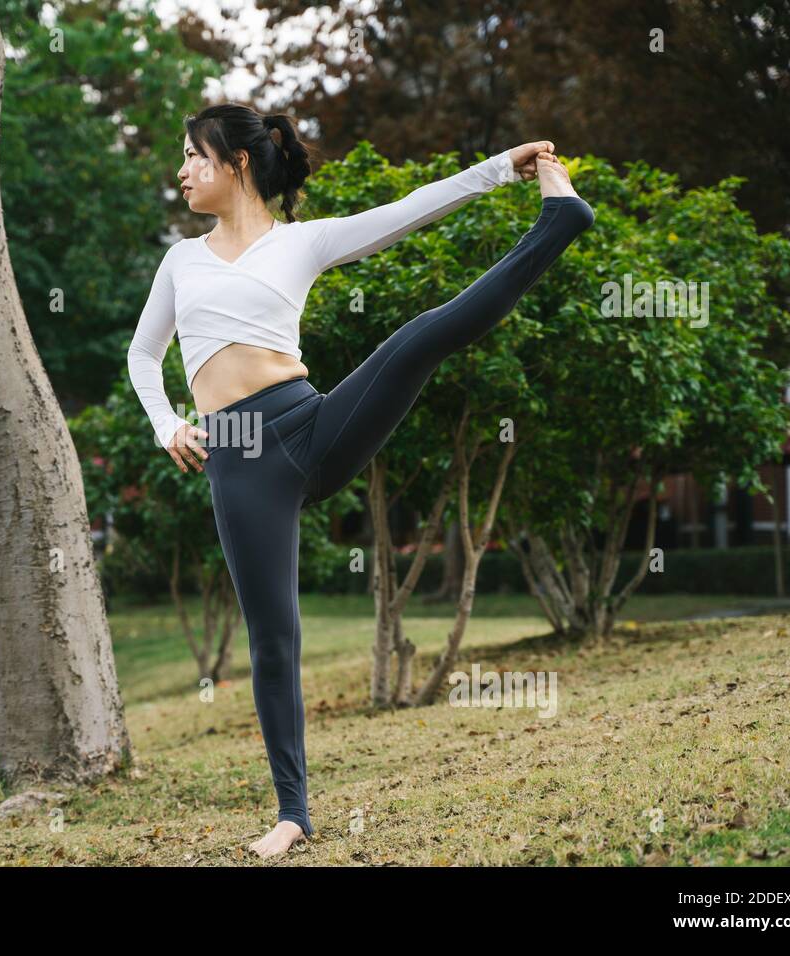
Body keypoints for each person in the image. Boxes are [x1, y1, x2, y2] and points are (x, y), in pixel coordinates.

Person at [127, 103, 595, 859]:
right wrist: (166, 424)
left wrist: (494, 169)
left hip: (311, 426)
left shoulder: (301, 243)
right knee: (275, 638)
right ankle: (292, 813)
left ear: (237, 163)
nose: (182, 172)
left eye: (194, 157)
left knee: (416, 340)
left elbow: (406, 213)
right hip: (239, 459)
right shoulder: (180, 261)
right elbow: (143, 357)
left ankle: (559, 223)